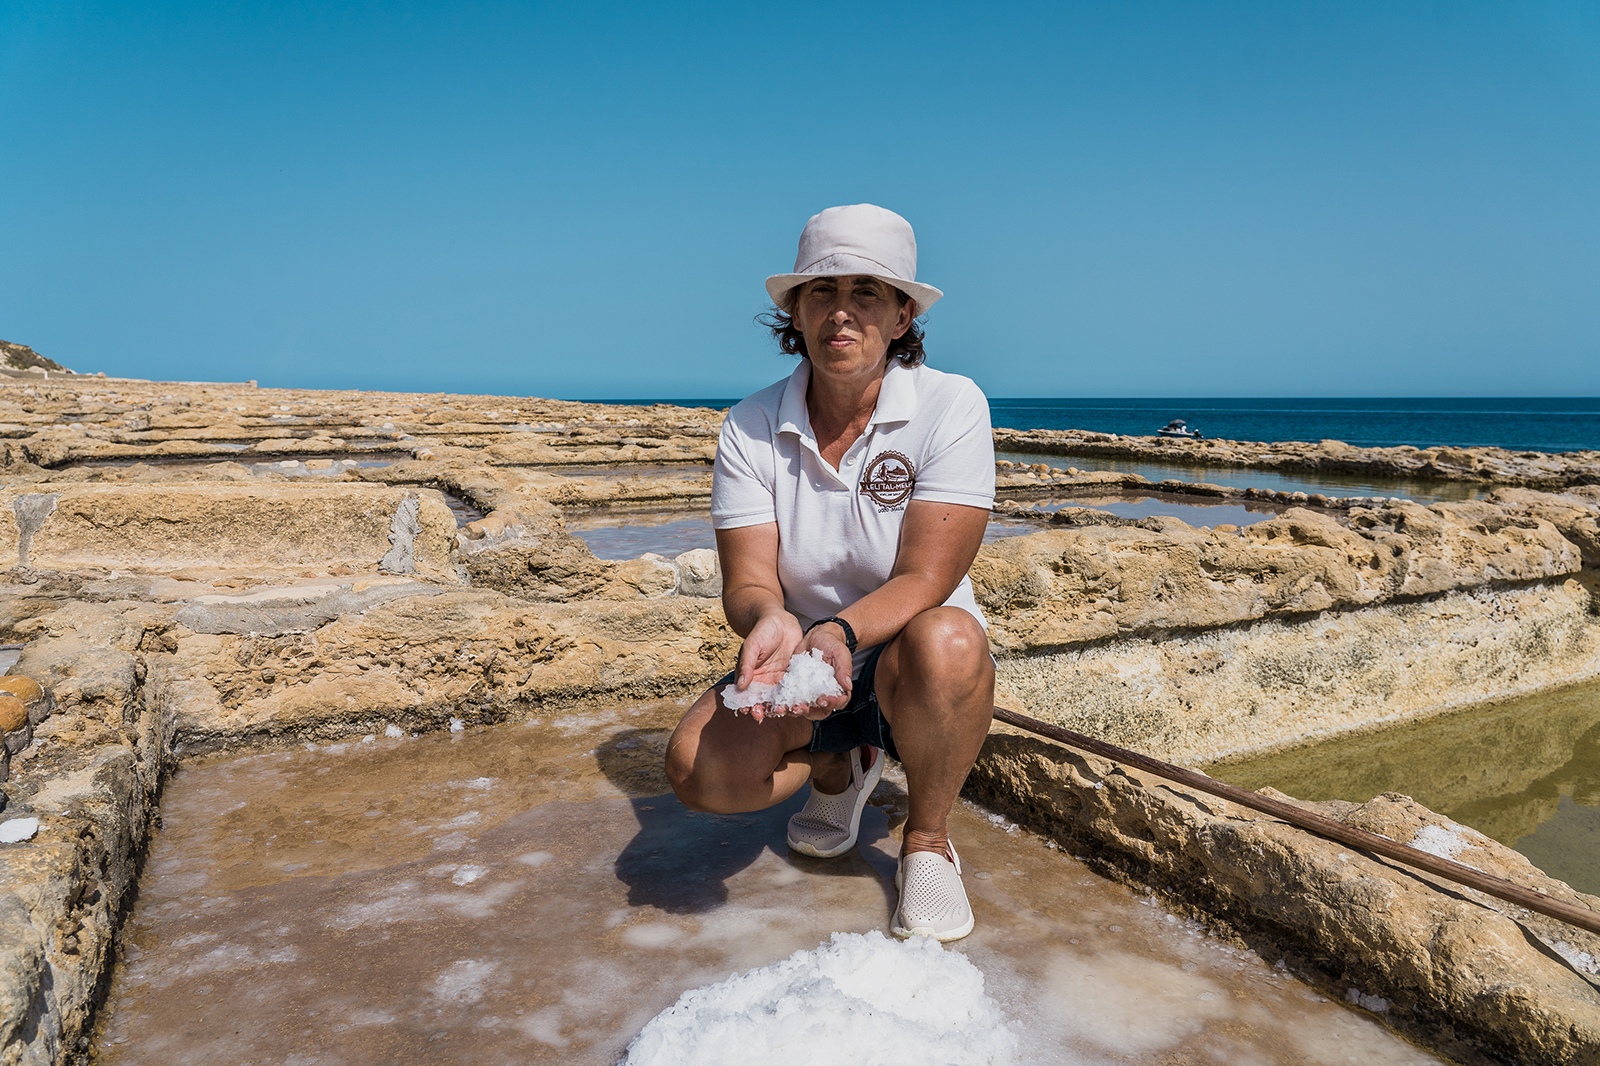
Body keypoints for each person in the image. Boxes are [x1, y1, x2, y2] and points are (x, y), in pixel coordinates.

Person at [665, 203, 996, 941]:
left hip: (908, 653)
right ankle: (838, 771)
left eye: (867, 294)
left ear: (904, 315)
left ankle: (927, 840)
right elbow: (749, 581)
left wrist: (841, 632)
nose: (840, 313)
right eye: (822, 292)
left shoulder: (951, 405)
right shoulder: (750, 424)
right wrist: (772, 623)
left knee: (950, 639)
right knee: (698, 770)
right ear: (797, 310)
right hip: (806, 664)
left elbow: (926, 577)